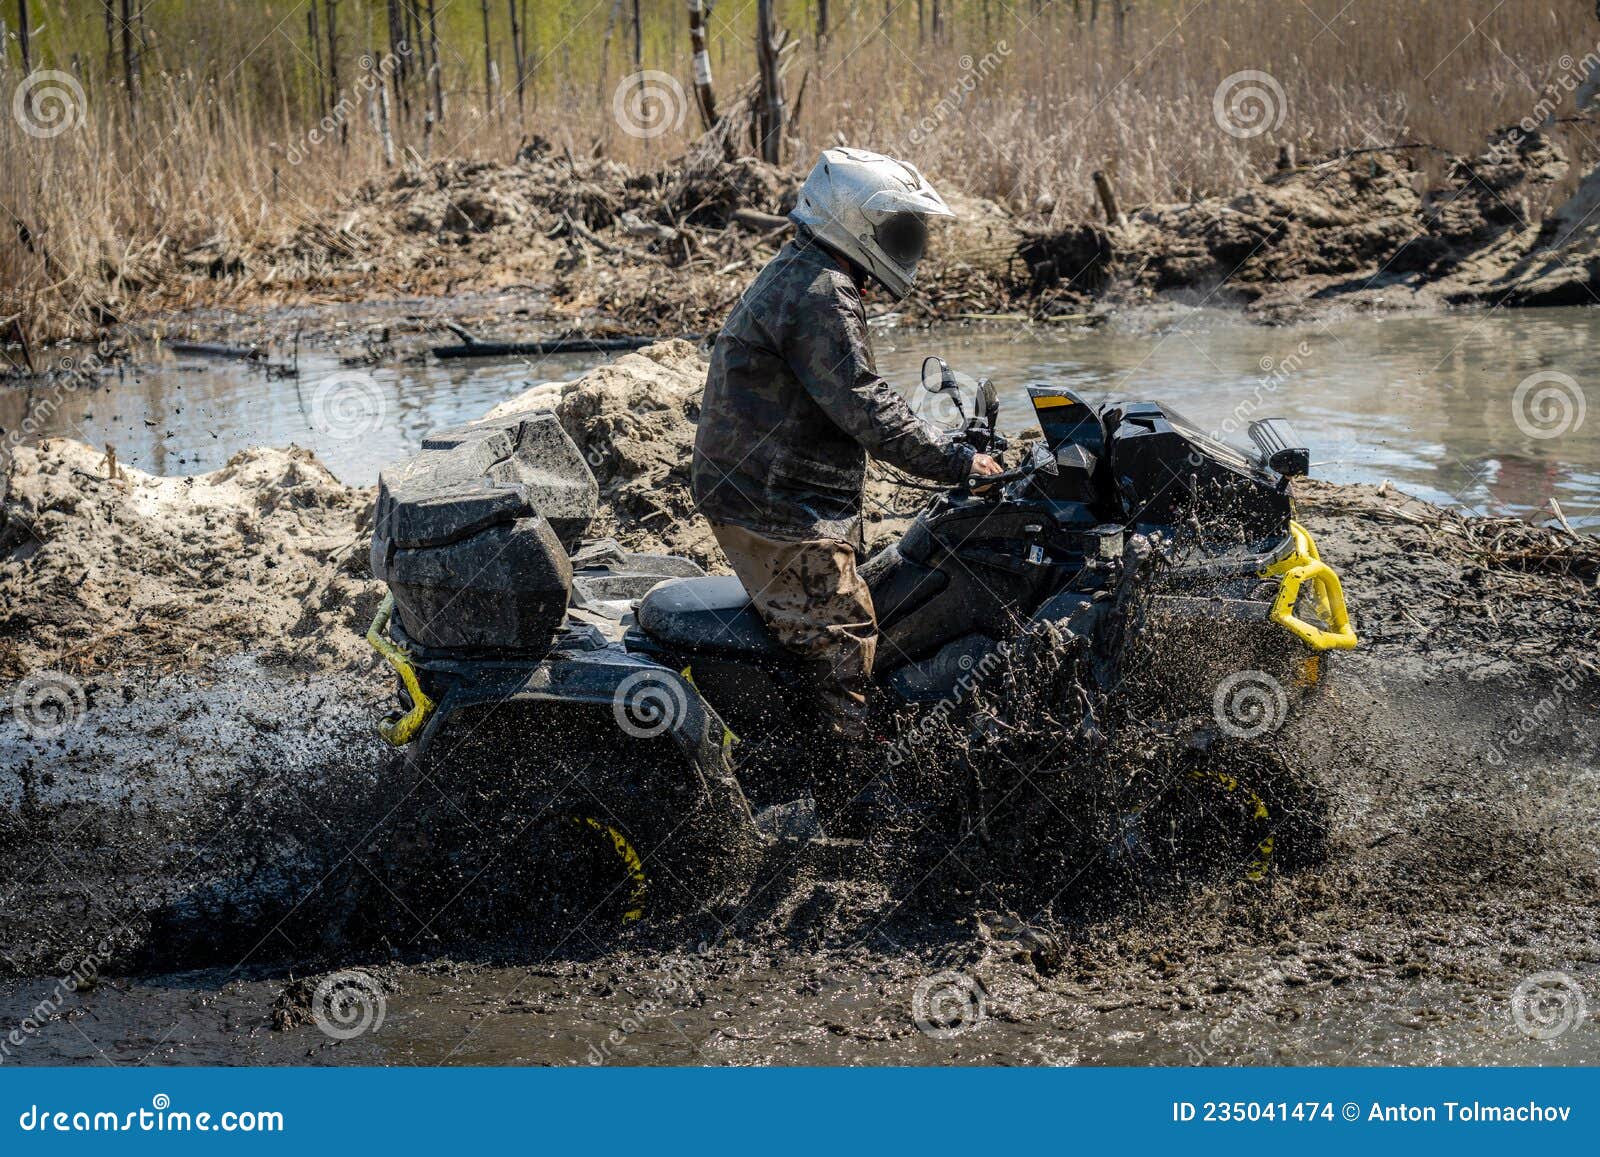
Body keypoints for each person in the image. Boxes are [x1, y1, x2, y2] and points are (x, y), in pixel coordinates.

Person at [690, 147, 1002, 769]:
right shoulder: (820, 291)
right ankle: (847, 781)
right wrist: (957, 461)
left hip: (770, 489)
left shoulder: (809, 269)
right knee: (845, 631)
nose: (908, 242)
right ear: (853, 221)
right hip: (773, 507)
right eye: (898, 229)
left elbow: (855, 398)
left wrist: (952, 447)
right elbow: (863, 404)